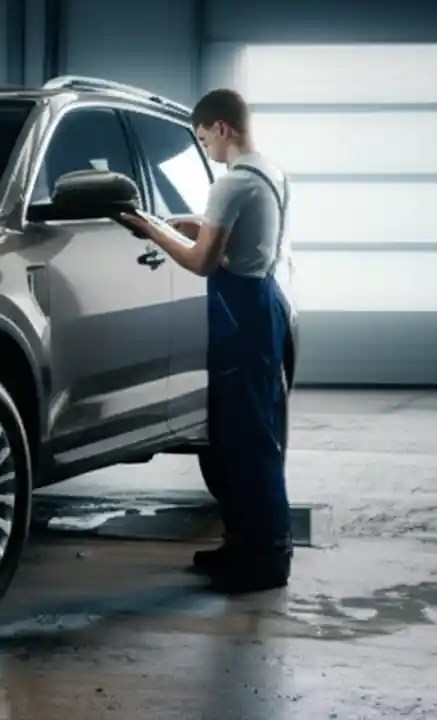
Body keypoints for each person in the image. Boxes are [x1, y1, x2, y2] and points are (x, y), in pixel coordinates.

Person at [120, 88, 293, 594]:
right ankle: (249, 545)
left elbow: (201, 262)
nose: (206, 150)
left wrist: (151, 230)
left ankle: (264, 561)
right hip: (263, 302)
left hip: (239, 316)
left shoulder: (231, 184)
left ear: (221, 128)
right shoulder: (272, 174)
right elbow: (243, 236)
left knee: (246, 442)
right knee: (247, 437)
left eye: (204, 139)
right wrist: (193, 225)